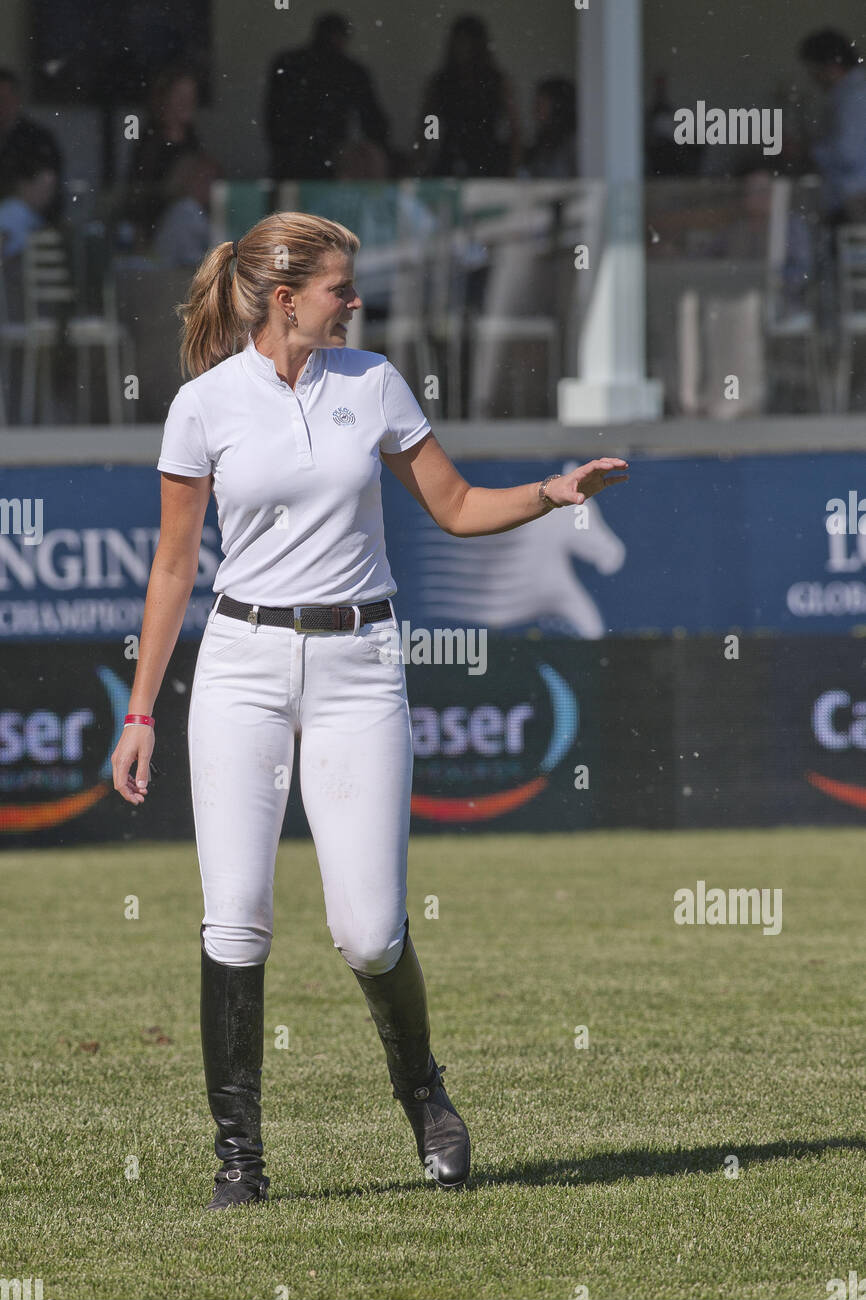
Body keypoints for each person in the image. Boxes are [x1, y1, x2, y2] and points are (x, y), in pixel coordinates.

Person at [110, 211, 628, 1209]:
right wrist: (138, 715)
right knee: (236, 916)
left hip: (360, 660)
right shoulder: (202, 406)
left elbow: (456, 505)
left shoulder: (374, 381)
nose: (356, 301)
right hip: (241, 667)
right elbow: (174, 566)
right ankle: (239, 1160)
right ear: (283, 296)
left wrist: (555, 491)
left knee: (369, 931)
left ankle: (422, 1091)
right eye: (342, 287)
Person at [264, 13, 390, 180]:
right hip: (317, 157)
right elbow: (373, 121)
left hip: (302, 157)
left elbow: (273, 115)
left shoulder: (290, 64)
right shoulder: (349, 71)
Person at [417, 14, 520, 177]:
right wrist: (422, 159)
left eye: (467, 42)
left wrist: (514, 168)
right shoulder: (441, 82)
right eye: (458, 42)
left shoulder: (496, 81)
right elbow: (428, 124)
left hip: (488, 158)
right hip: (450, 156)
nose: (463, 48)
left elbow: (515, 129)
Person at [121, 65, 203, 251]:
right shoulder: (149, 145)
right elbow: (137, 196)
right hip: (158, 236)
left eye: (192, 96)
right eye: (180, 95)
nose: (187, 102)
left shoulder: (195, 143)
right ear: (164, 98)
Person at [799, 29, 866, 222]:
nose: (813, 77)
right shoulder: (849, 92)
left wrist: (809, 151)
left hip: (855, 196)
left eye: (813, 70)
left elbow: (848, 153)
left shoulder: (853, 96)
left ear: (830, 66)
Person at [0, 68, 63, 223]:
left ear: (16, 100)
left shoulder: (37, 138)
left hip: (26, 220)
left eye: (3, 99)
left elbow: (44, 187)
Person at [520, 78, 576, 179]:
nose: (535, 109)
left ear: (558, 105)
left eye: (541, 103)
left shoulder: (573, 142)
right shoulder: (541, 141)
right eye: (536, 103)